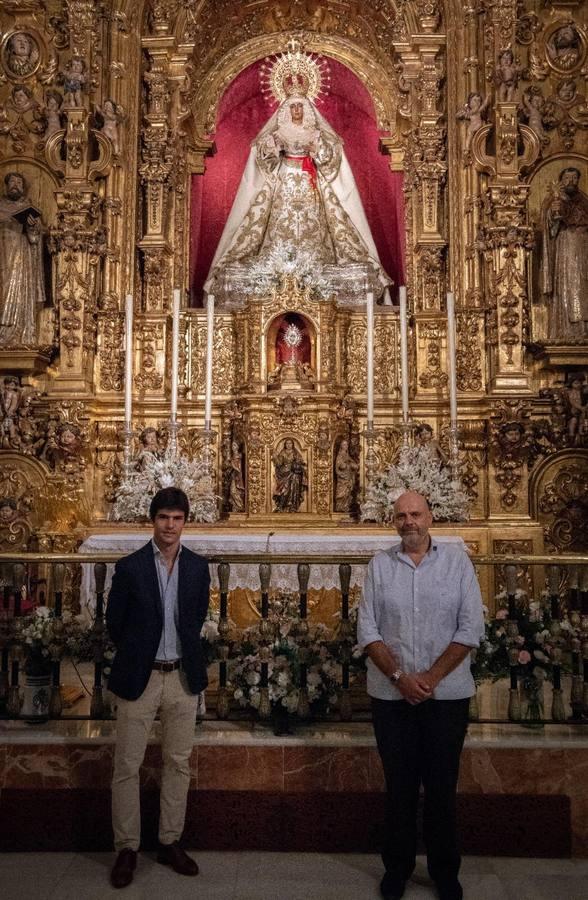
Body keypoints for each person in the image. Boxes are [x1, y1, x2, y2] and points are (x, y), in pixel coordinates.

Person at [358, 491, 484, 900]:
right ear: (393, 521)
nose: (409, 522)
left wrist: (430, 677)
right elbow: (368, 630)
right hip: (391, 696)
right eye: (401, 516)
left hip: (446, 696)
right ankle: (397, 869)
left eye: (415, 514)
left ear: (430, 517)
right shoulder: (380, 566)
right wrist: (399, 678)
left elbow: (470, 627)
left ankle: (445, 872)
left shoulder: (457, 562)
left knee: (442, 787)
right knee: (400, 786)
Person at [204, 80, 391, 304]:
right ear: (286, 110)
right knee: (279, 219)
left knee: (315, 220)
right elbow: (263, 157)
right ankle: (276, 263)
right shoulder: (278, 132)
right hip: (284, 181)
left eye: (300, 106)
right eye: (292, 106)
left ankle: (316, 262)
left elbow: (331, 158)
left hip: (310, 183)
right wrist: (273, 148)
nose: (296, 110)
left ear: (307, 109)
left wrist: (317, 149)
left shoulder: (316, 133)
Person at [106, 487, 210, 889]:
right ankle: (126, 848)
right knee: (127, 765)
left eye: (177, 518)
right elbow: (115, 623)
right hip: (141, 676)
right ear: (153, 520)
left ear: (185, 522)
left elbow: (195, 618)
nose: (170, 525)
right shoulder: (130, 567)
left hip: (181, 677)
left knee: (178, 762)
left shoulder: (197, 567)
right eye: (164, 517)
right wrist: (140, 654)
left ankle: (169, 841)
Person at [540, 167, 588, 340]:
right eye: (567, 178)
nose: (571, 181)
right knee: (567, 286)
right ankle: (566, 330)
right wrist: (553, 214)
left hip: (583, 248)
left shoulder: (584, 200)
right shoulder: (556, 199)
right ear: (561, 181)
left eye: (574, 178)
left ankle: (583, 329)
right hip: (565, 247)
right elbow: (550, 226)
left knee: (582, 285)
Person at [0, 172, 46, 347]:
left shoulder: (27, 208)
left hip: (22, 260)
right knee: (3, 289)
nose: (15, 185)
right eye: (12, 181)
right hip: (3, 256)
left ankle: (17, 332)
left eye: (19, 182)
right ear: (6, 185)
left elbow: (36, 238)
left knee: (19, 290)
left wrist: (32, 227)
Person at [272, 437, 308, 512]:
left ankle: (293, 506)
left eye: (290, 443)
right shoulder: (282, 452)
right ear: (285, 445)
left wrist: (298, 464)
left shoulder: (295, 452)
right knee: (283, 490)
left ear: (292, 444)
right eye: (287, 443)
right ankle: (281, 506)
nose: (289, 445)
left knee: (293, 489)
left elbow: (300, 461)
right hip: (284, 473)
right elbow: (279, 463)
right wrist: (275, 457)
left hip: (294, 473)